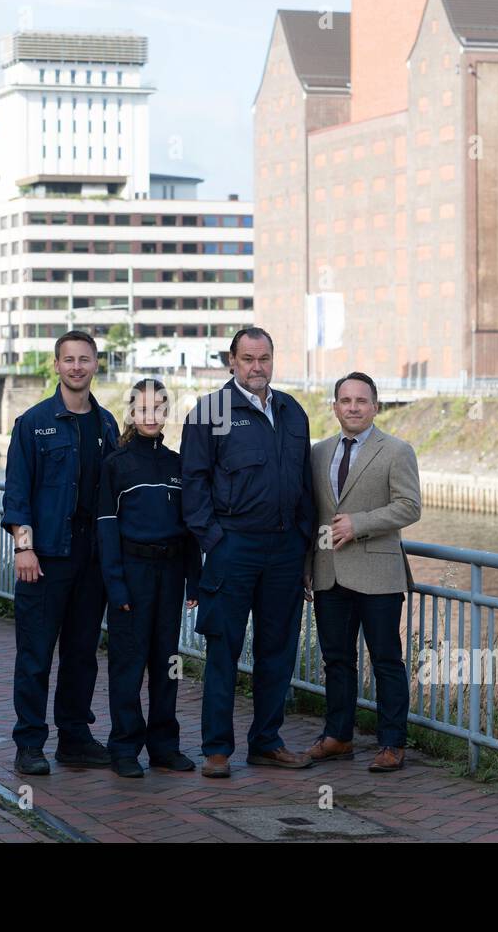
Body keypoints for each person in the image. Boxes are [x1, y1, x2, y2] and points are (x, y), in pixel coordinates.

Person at [181, 327, 316, 778]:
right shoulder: (212, 411)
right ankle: (216, 750)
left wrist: (303, 545)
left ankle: (266, 742)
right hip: (232, 546)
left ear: (273, 360)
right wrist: (215, 543)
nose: (257, 367)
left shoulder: (292, 411)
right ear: (232, 363)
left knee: (277, 651)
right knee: (223, 650)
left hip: (283, 551)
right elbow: (193, 485)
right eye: (248, 359)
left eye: (264, 358)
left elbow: (304, 486)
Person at [1, 330, 120, 776]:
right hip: (46, 558)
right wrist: (24, 547)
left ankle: (74, 738)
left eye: (84, 359)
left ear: (95, 364)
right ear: (56, 365)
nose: (76, 367)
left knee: (81, 653)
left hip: (91, 561)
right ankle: (29, 743)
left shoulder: (107, 424)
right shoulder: (33, 423)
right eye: (68, 360)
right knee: (35, 654)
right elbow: (18, 493)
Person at [304, 372, 421, 772]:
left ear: (375, 406)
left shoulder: (397, 450)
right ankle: (338, 736)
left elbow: (409, 506)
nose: (353, 407)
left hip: (378, 574)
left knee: (387, 660)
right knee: (336, 660)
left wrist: (360, 522)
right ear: (334, 406)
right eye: (345, 400)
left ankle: (392, 743)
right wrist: (307, 567)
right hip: (328, 573)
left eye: (361, 401)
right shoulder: (318, 452)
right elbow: (314, 516)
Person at [96, 378, 201, 778]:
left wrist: (194, 579)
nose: (150, 415)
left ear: (165, 412)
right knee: (128, 663)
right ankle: (124, 747)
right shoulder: (115, 466)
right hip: (132, 574)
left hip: (171, 574)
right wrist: (116, 585)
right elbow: (107, 531)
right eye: (141, 409)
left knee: (167, 662)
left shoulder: (178, 464)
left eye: (158, 407)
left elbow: (190, 527)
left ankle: (164, 746)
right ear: (130, 413)